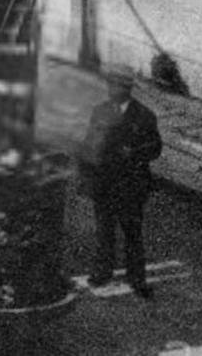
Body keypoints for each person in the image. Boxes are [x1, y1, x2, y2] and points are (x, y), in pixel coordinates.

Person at [79, 68, 163, 298]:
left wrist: (134, 152)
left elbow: (155, 148)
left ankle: (137, 279)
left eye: (115, 86)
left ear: (127, 89)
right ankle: (102, 273)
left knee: (132, 234)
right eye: (109, 85)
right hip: (105, 184)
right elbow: (89, 143)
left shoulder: (144, 115)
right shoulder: (100, 111)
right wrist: (86, 176)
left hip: (131, 185)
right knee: (104, 232)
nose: (110, 90)